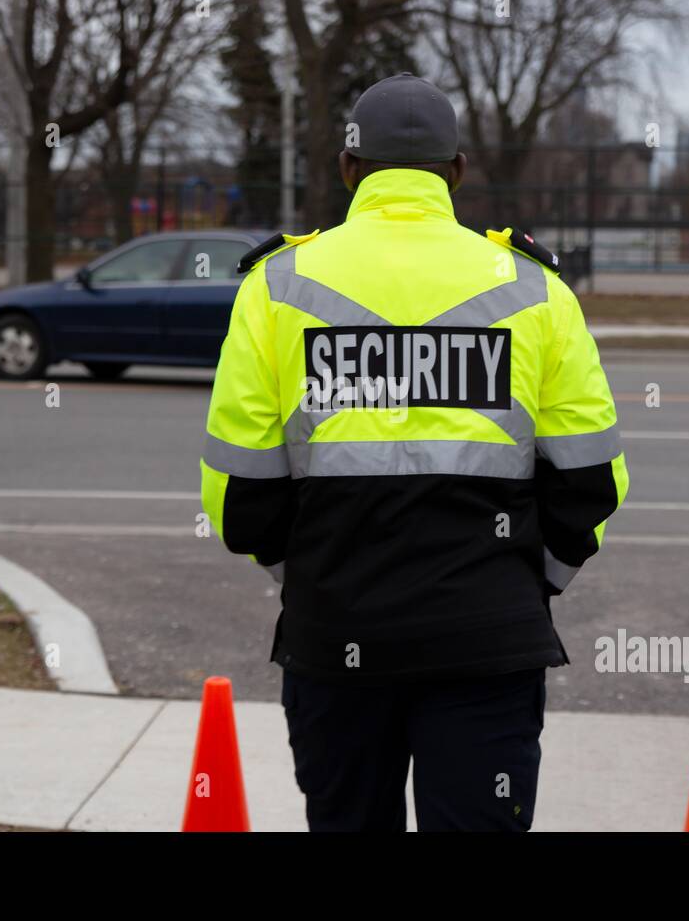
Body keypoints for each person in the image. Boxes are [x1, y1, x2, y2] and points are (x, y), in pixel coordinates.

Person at [200, 72, 628, 831]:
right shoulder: (534, 290)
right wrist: (532, 587)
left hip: (336, 639)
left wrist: (310, 580)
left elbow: (242, 503)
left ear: (347, 169)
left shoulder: (276, 287)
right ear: (457, 170)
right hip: (488, 641)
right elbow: (589, 484)